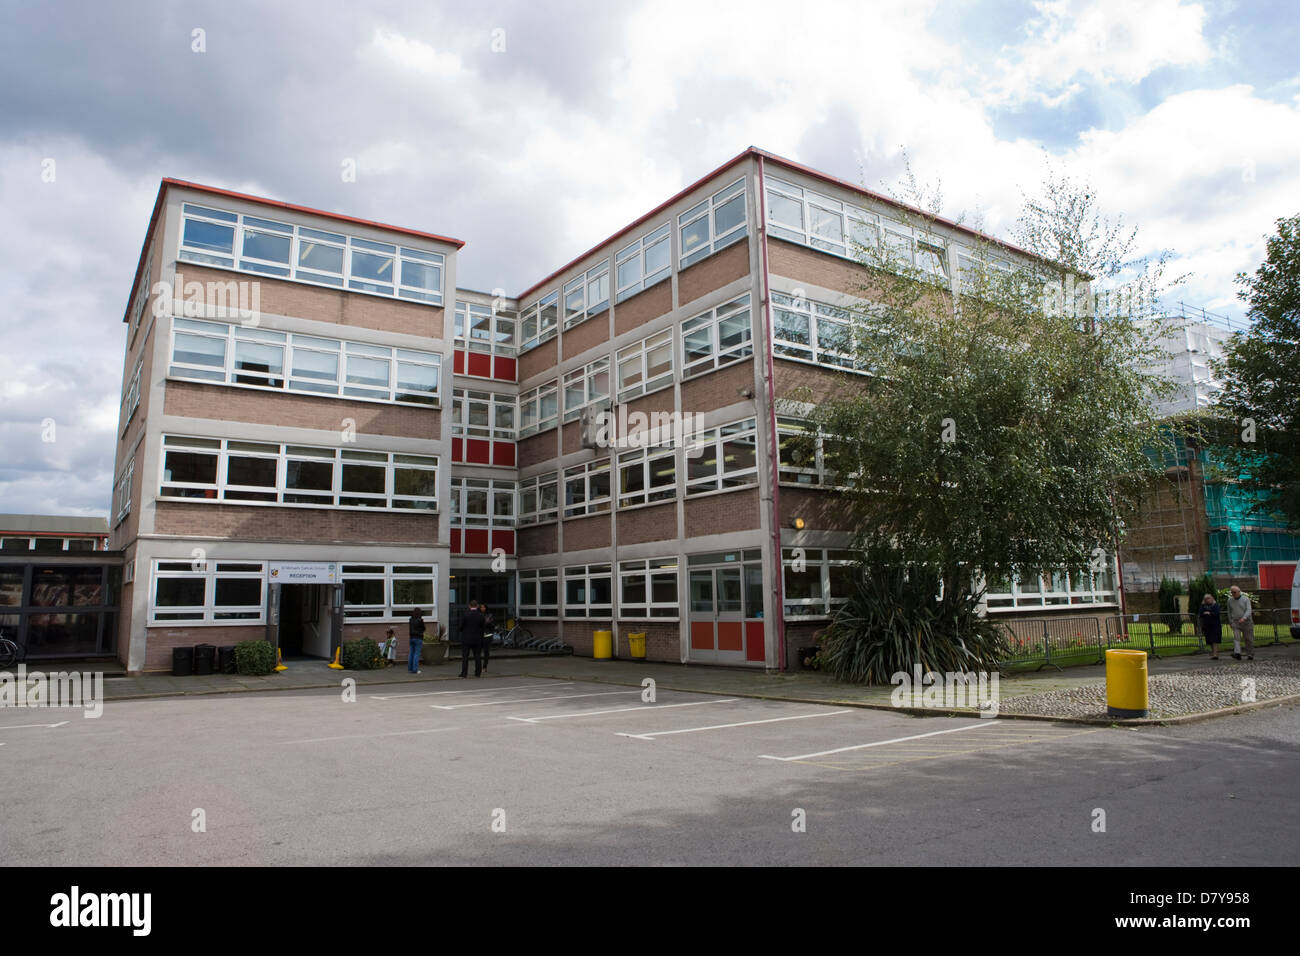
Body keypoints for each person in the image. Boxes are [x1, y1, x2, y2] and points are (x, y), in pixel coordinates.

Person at [1226, 586, 1255, 661]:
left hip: (1247, 621)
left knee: (1248, 639)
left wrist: (1244, 618)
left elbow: (1249, 610)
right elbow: (1229, 612)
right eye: (1232, 592)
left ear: (1239, 592)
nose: (1233, 594)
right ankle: (1237, 653)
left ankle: (1250, 654)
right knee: (1236, 638)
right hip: (1235, 621)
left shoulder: (1245, 599)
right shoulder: (1230, 600)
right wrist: (1231, 621)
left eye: (1234, 592)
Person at [459, 599, 486, 678]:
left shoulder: (465, 615)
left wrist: (463, 631)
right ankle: (478, 673)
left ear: (469, 606)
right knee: (477, 656)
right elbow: (483, 628)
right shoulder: (481, 615)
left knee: (465, 656)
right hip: (477, 639)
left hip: (466, 638)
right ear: (477, 606)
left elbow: (461, 627)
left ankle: (464, 673)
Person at [1198, 593, 1222, 660]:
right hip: (1207, 625)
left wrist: (1209, 613)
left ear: (1212, 598)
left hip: (1215, 625)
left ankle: (1215, 654)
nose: (1207, 600)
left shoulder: (1215, 605)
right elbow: (1200, 613)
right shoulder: (1204, 606)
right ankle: (1214, 652)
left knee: (1214, 640)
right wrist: (1202, 605)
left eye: (1208, 598)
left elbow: (1216, 613)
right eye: (1205, 599)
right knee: (1209, 640)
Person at [407, 608, 426, 674]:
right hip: (418, 638)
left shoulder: (410, 620)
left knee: (411, 653)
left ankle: (410, 669)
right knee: (416, 654)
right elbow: (424, 628)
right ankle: (415, 669)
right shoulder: (420, 620)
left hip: (411, 638)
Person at [481, 606, 495, 673]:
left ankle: (484, 666)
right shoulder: (478, 615)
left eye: (484, 607)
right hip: (479, 636)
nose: (482, 608)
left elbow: (492, 625)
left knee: (486, 652)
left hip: (487, 636)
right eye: (481, 607)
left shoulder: (489, 615)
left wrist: (488, 622)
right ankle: (479, 667)